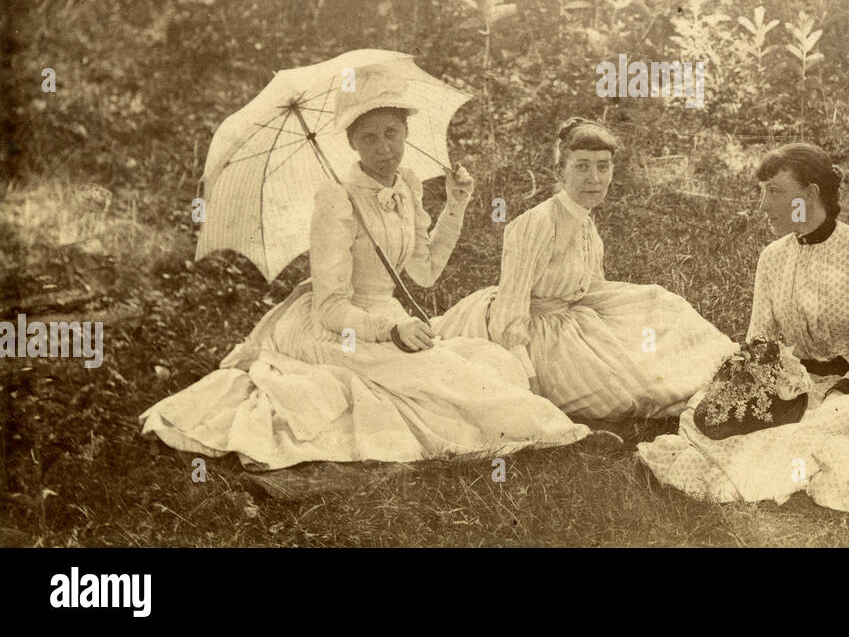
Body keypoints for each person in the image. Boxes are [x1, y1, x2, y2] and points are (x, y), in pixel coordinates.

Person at [141, 64, 589, 470]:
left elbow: (426, 271)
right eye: (369, 137)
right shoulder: (336, 201)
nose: (383, 148)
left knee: (481, 365)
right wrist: (390, 333)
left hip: (386, 316)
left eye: (392, 132)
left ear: (407, 132)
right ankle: (535, 429)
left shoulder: (408, 185)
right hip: (337, 326)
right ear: (351, 142)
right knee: (439, 382)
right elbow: (330, 309)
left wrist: (455, 205)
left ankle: (523, 423)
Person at [637, 143, 849, 547]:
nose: (763, 204)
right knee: (715, 433)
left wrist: (836, 399)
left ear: (812, 194)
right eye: (762, 191)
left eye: (775, 191)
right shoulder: (771, 257)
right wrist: (751, 381)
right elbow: (760, 338)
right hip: (793, 384)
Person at [432, 117, 736, 420]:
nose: (594, 177)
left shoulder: (585, 223)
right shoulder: (536, 223)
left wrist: (646, 304)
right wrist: (525, 378)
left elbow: (590, 289)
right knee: (623, 397)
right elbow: (510, 310)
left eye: (603, 166)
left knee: (662, 310)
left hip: (568, 320)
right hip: (529, 332)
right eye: (582, 166)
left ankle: (730, 370)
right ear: (559, 172)